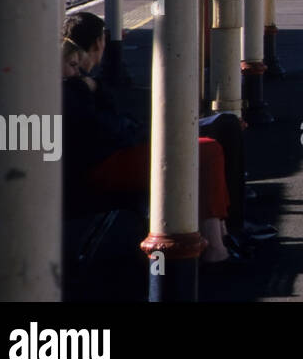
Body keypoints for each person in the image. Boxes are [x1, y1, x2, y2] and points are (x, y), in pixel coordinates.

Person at [61, 36, 234, 263]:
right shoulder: (68, 94)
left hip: (108, 158)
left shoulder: (73, 90)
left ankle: (221, 235)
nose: (78, 73)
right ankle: (216, 246)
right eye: (72, 66)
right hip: (101, 166)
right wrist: (87, 88)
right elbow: (107, 128)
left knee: (211, 143)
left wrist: (92, 87)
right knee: (207, 150)